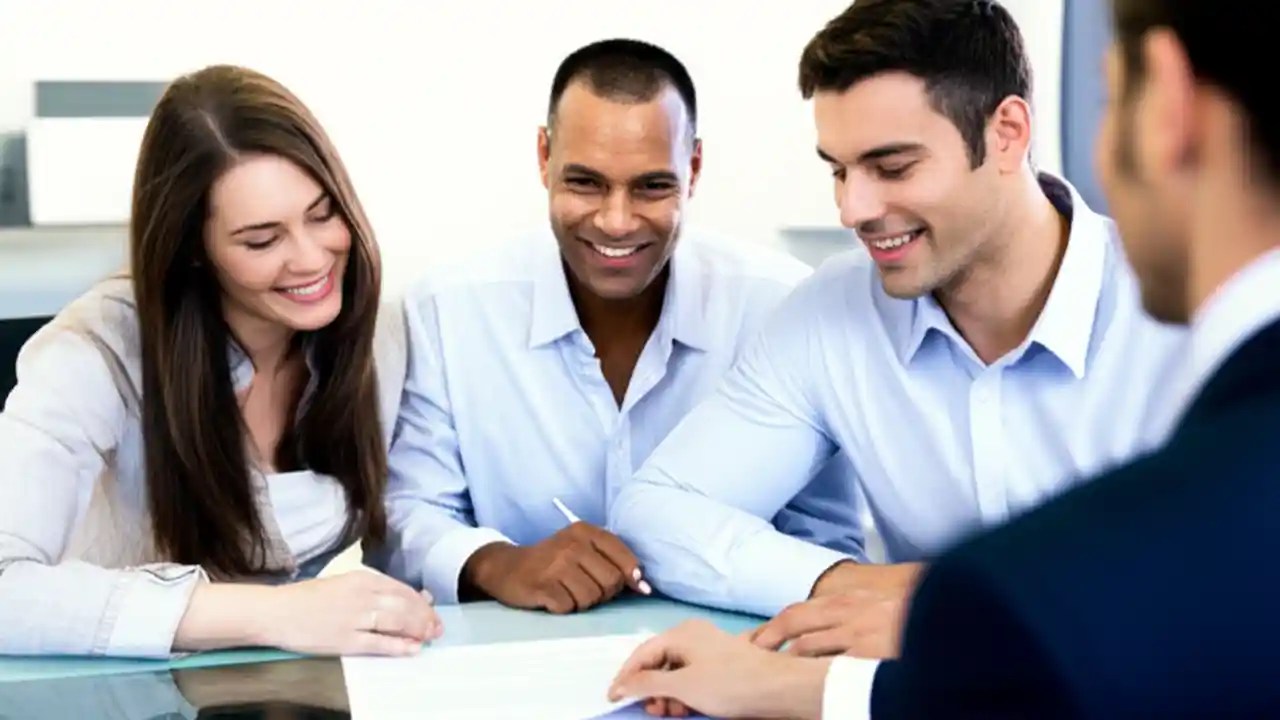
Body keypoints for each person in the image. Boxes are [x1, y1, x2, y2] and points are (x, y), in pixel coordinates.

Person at [608, 0, 1280, 716]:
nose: (854, 209)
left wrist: (941, 613)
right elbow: (656, 511)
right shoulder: (831, 313)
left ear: (1008, 135)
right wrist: (847, 584)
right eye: (838, 171)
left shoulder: (1188, 316)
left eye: (891, 166)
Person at [373, 39, 865, 614]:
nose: (616, 220)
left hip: (731, 654)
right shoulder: (447, 311)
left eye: (652, 186)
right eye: (585, 182)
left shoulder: (783, 306)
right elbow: (404, 518)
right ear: (542, 156)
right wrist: (500, 564)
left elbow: (825, 538)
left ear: (695, 168)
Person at [0, 65, 438, 658]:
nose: (312, 259)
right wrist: (271, 614)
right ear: (194, 251)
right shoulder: (98, 348)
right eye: (262, 240)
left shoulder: (379, 333)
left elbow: (403, 528)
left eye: (323, 214)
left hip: (282, 691)